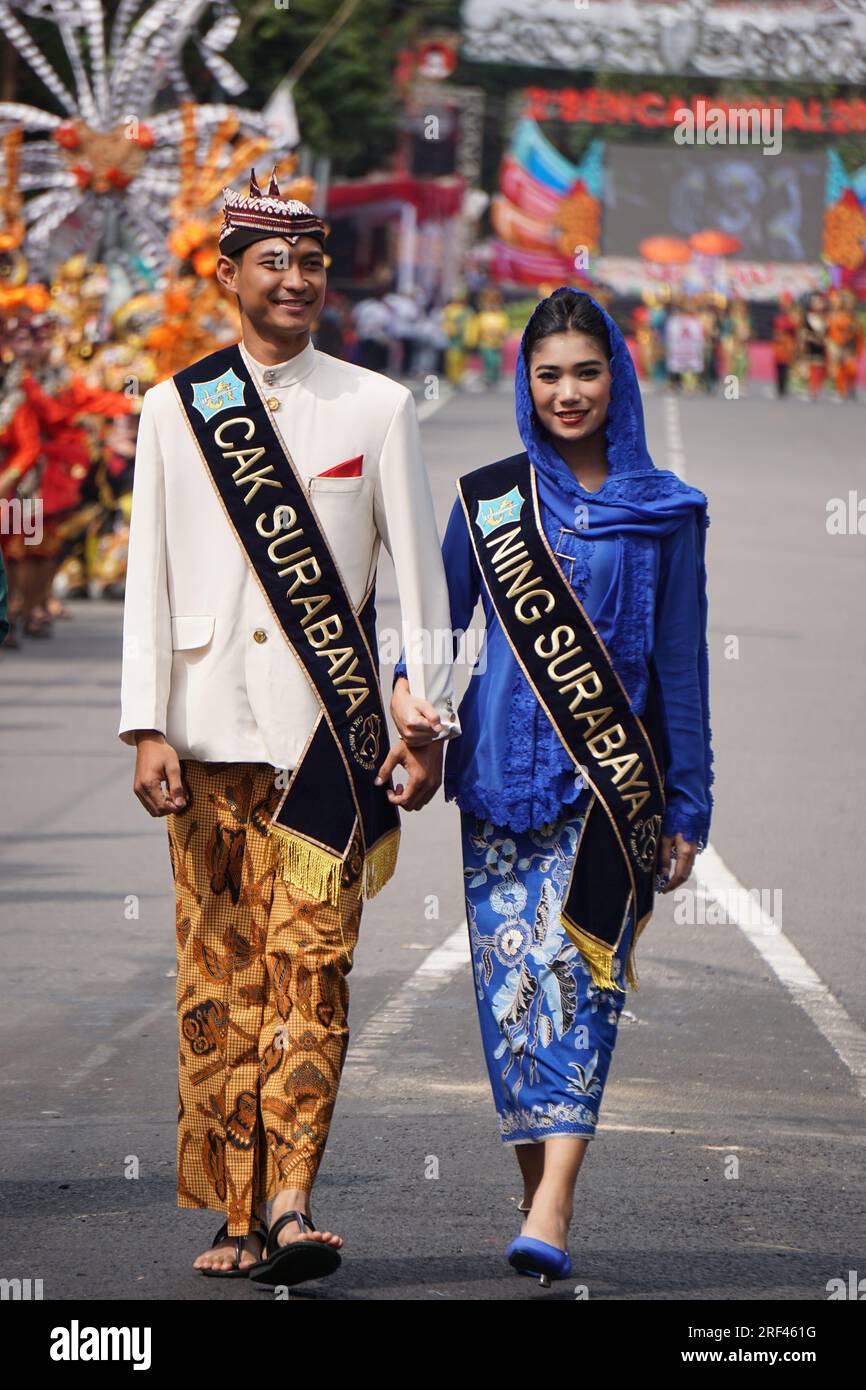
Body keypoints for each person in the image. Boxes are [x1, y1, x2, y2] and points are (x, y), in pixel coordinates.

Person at [118, 169, 460, 1286]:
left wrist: (425, 717)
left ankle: (289, 1203)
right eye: (274, 260)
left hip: (333, 744)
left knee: (313, 975)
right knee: (219, 981)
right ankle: (229, 1210)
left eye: (312, 261)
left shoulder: (376, 406)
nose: (298, 279)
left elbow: (420, 586)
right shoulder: (173, 409)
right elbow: (149, 586)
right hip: (207, 736)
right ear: (228, 274)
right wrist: (143, 727)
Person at [386, 286, 713, 1286]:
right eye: (548, 374)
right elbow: (434, 625)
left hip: (610, 789)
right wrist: (408, 699)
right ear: (524, 384)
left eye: (584, 370)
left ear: (615, 376)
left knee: (580, 987)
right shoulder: (487, 499)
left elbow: (681, 664)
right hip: (494, 784)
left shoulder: (664, 512)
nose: (566, 391)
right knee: (515, 997)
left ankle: (555, 1199)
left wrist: (688, 802)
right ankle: (538, 1198)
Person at [801, 292, 828, 402]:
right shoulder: (808, 317)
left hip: (822, 347)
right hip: (810, 347)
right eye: (815, 302)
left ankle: (816, 388)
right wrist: (807, 339)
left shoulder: (826, 318)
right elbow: (804, 332)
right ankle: (811, 389)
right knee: (811, 368)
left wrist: (824, 340)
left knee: (820, 369)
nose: (817, 304)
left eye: (819, 302)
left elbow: (828, 334)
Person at [772, 292, 799, 398]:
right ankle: (779, 387)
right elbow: (775, 332)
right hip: (778, 347)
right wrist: (777, 336)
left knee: (785, 368)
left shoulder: (792, 319)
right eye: (783, 304)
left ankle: (784, 387)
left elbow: (794, 332)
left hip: (788, 346)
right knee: (778, 368)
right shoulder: (777, 319)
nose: (784, 307)